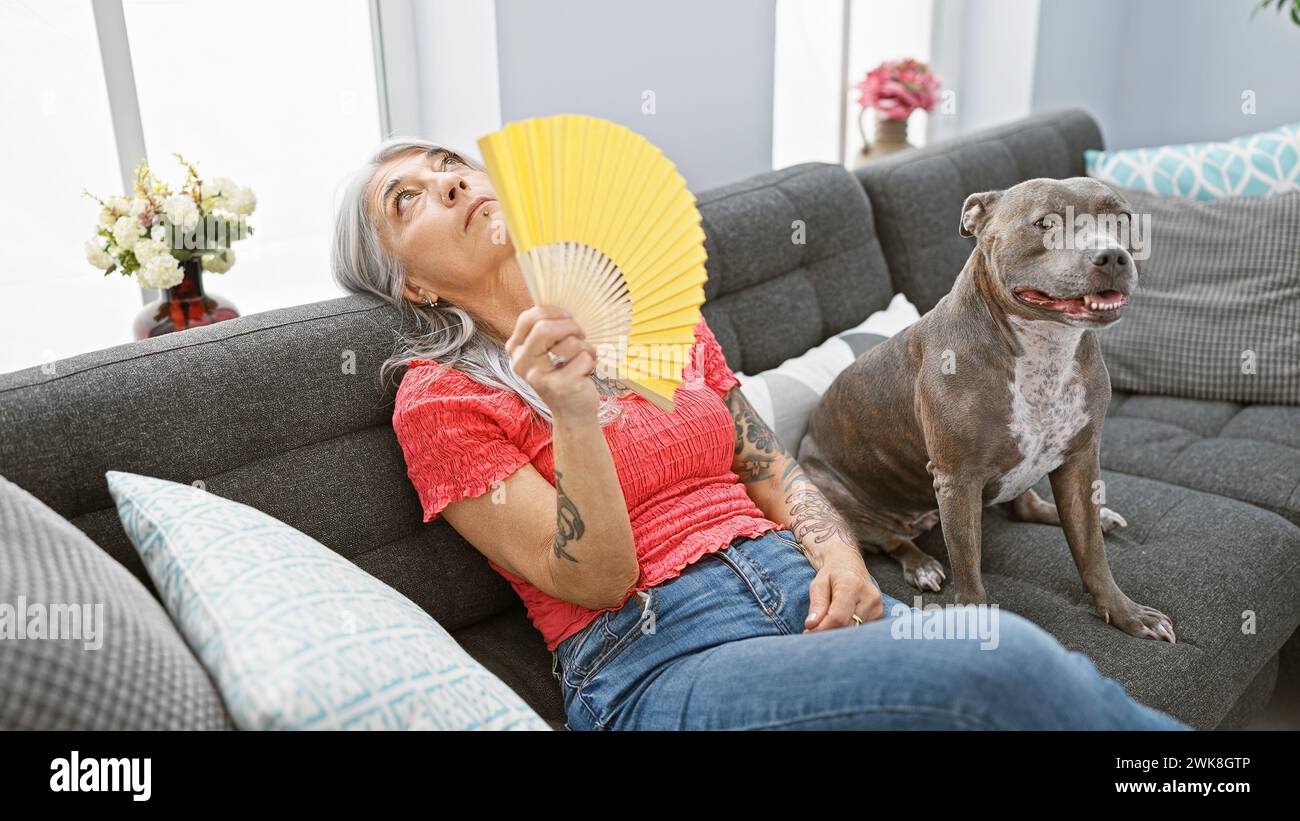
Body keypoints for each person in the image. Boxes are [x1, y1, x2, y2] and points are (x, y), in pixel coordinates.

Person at [330, 137, 1191, 731]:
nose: (448, 182)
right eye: (408, 199)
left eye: (452, 164)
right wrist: (574, 414)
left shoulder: (647, 314)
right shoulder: (437, 401)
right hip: (659, 656)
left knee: (1037, 674)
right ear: (413, 287)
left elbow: (765, 461)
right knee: (1001, 658)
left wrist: (842, 554)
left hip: (807, 591)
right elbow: (595, 580)